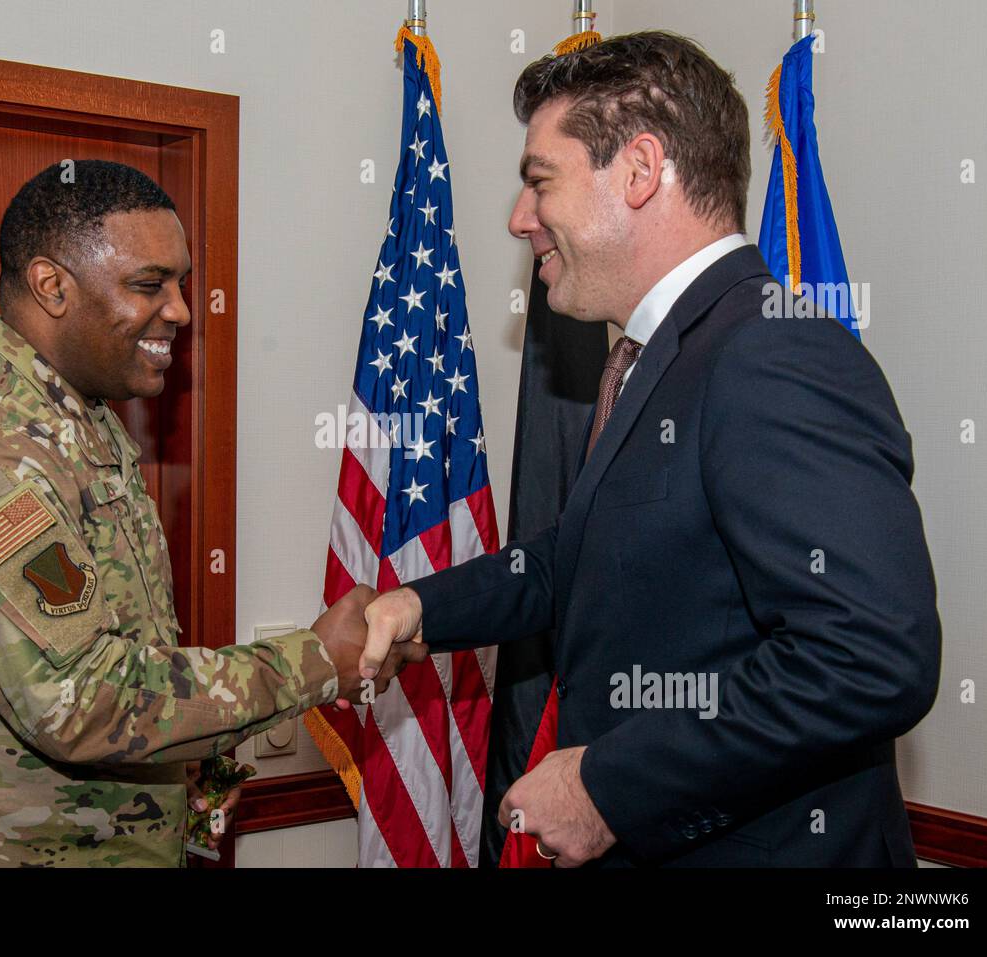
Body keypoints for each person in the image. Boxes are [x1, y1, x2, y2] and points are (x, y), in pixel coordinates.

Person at [359, 32, 941, 867]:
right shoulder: (660, 357)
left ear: (639, 170)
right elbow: (580, 559)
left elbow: (869, 656)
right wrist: (420, 605)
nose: (520, 218)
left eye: (539, 181)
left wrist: (606, 785)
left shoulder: (770, 352)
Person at [0, 159, 421, 867]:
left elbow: (124, 643)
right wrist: (315, 660)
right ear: (51, 286)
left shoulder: (80, 418)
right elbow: (82, 700)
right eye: (149, 284)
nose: (180, 311)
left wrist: (186, 774)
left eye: (181, 283)